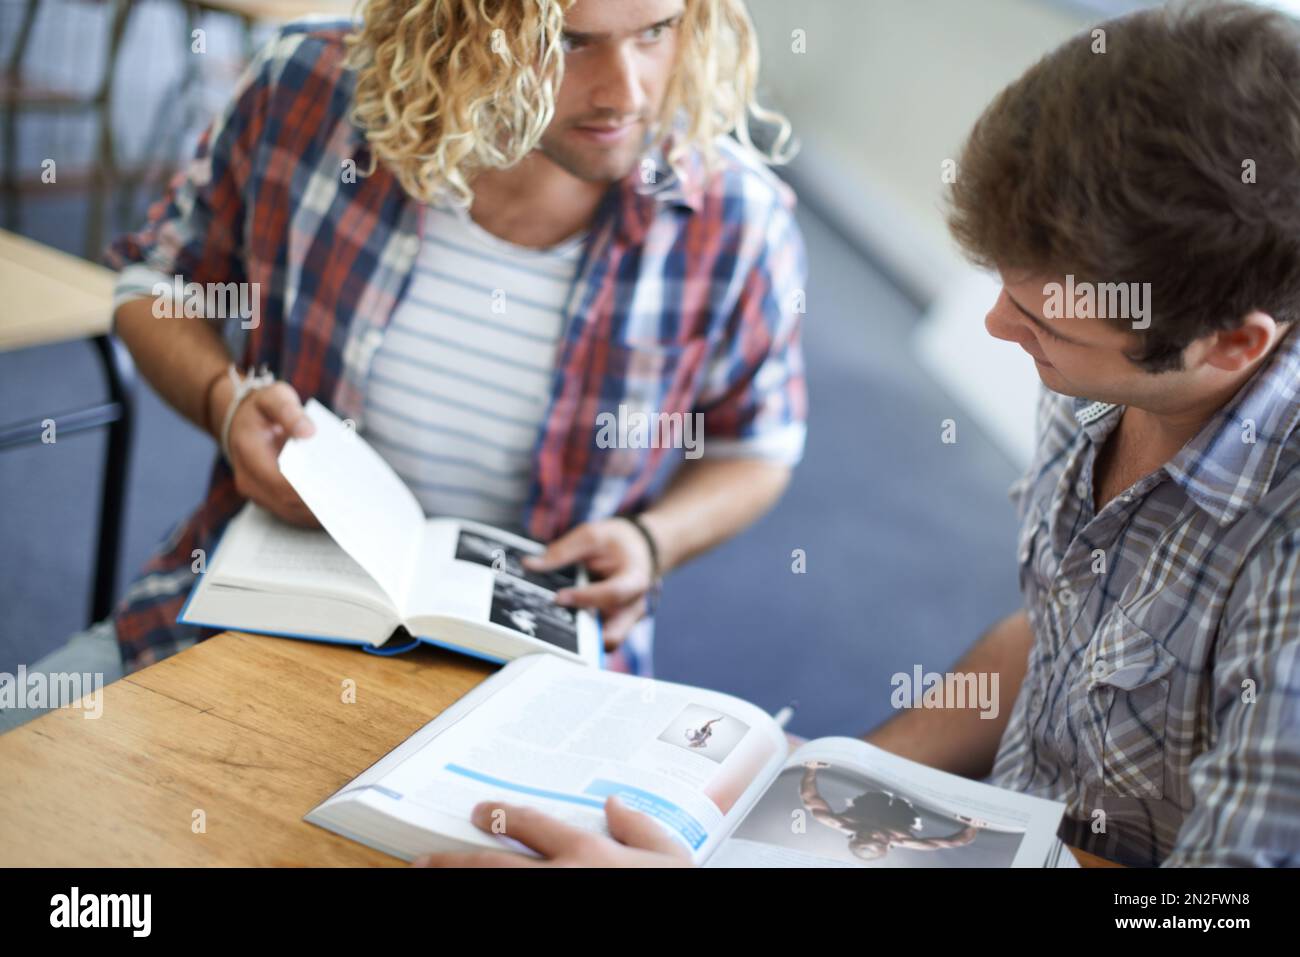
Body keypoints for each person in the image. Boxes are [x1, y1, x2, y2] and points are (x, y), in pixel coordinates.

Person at [416, 1, 1300, 869]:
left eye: (1042, 319)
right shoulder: (1103, 369)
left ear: (1232, 344)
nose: (996, 325)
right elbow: (1065, 633)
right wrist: (820, 778)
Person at [0, 0, 809, 733]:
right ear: (460, 23)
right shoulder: (309, 90)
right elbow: (155, 284)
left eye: (657, 32)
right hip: (248, 600)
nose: (627, 92)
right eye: (570, 42)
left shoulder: (737, 220)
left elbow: (757, 448)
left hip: (536, 685)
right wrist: (222, 399)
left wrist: (651, 539)